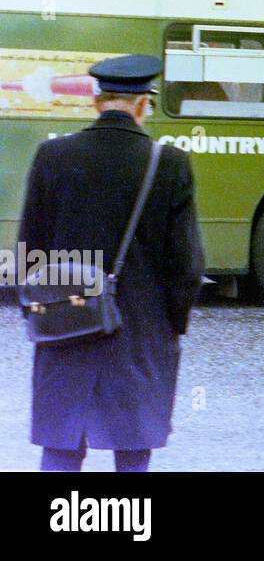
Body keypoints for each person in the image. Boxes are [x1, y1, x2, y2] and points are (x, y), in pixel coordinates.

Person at [18, 55, 205, 473]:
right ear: (143, 104)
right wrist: (170, 327)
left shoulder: (52, 156)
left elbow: (29, 252)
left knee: (62, 445)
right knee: (133, 446)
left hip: (65, 325)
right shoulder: (168, 163)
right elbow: (187, 264)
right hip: (139, 329)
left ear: (96, 100)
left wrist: (39, 317)